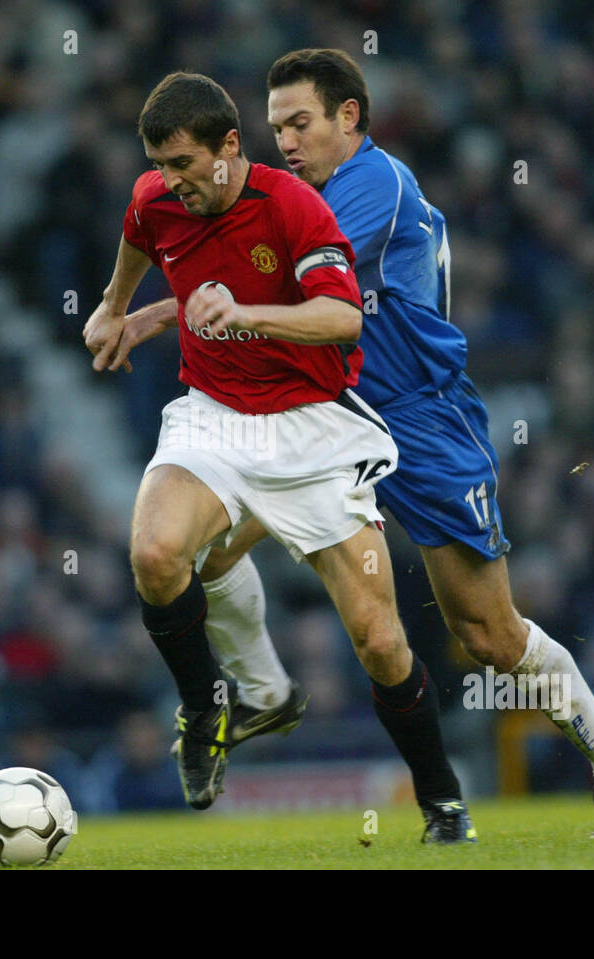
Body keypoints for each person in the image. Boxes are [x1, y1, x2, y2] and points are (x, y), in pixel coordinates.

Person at [108, 50, 594, 837]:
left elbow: (290, 287)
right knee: (204, 552)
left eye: (302, 123)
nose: (287, 142)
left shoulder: (369, 185)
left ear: (349, 118)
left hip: (420, 417)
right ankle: (261, 693)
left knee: (487, 635)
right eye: (277, 127)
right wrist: (150, 307)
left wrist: (156, 313)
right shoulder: (280, 193)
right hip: (322, 411)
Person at [84, 71, 475, 843]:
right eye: (162, 165)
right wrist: (113, 305)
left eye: (187, 165)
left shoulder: (293, 205)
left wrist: (243, 311)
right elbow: (139, 232)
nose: (173, 181)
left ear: (231, 147)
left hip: (313, 432)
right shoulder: (154, 196)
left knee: (381, 640)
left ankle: (442, 803)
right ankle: (206, 710)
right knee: (157, 552)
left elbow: (340, 318)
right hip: (214, 418)